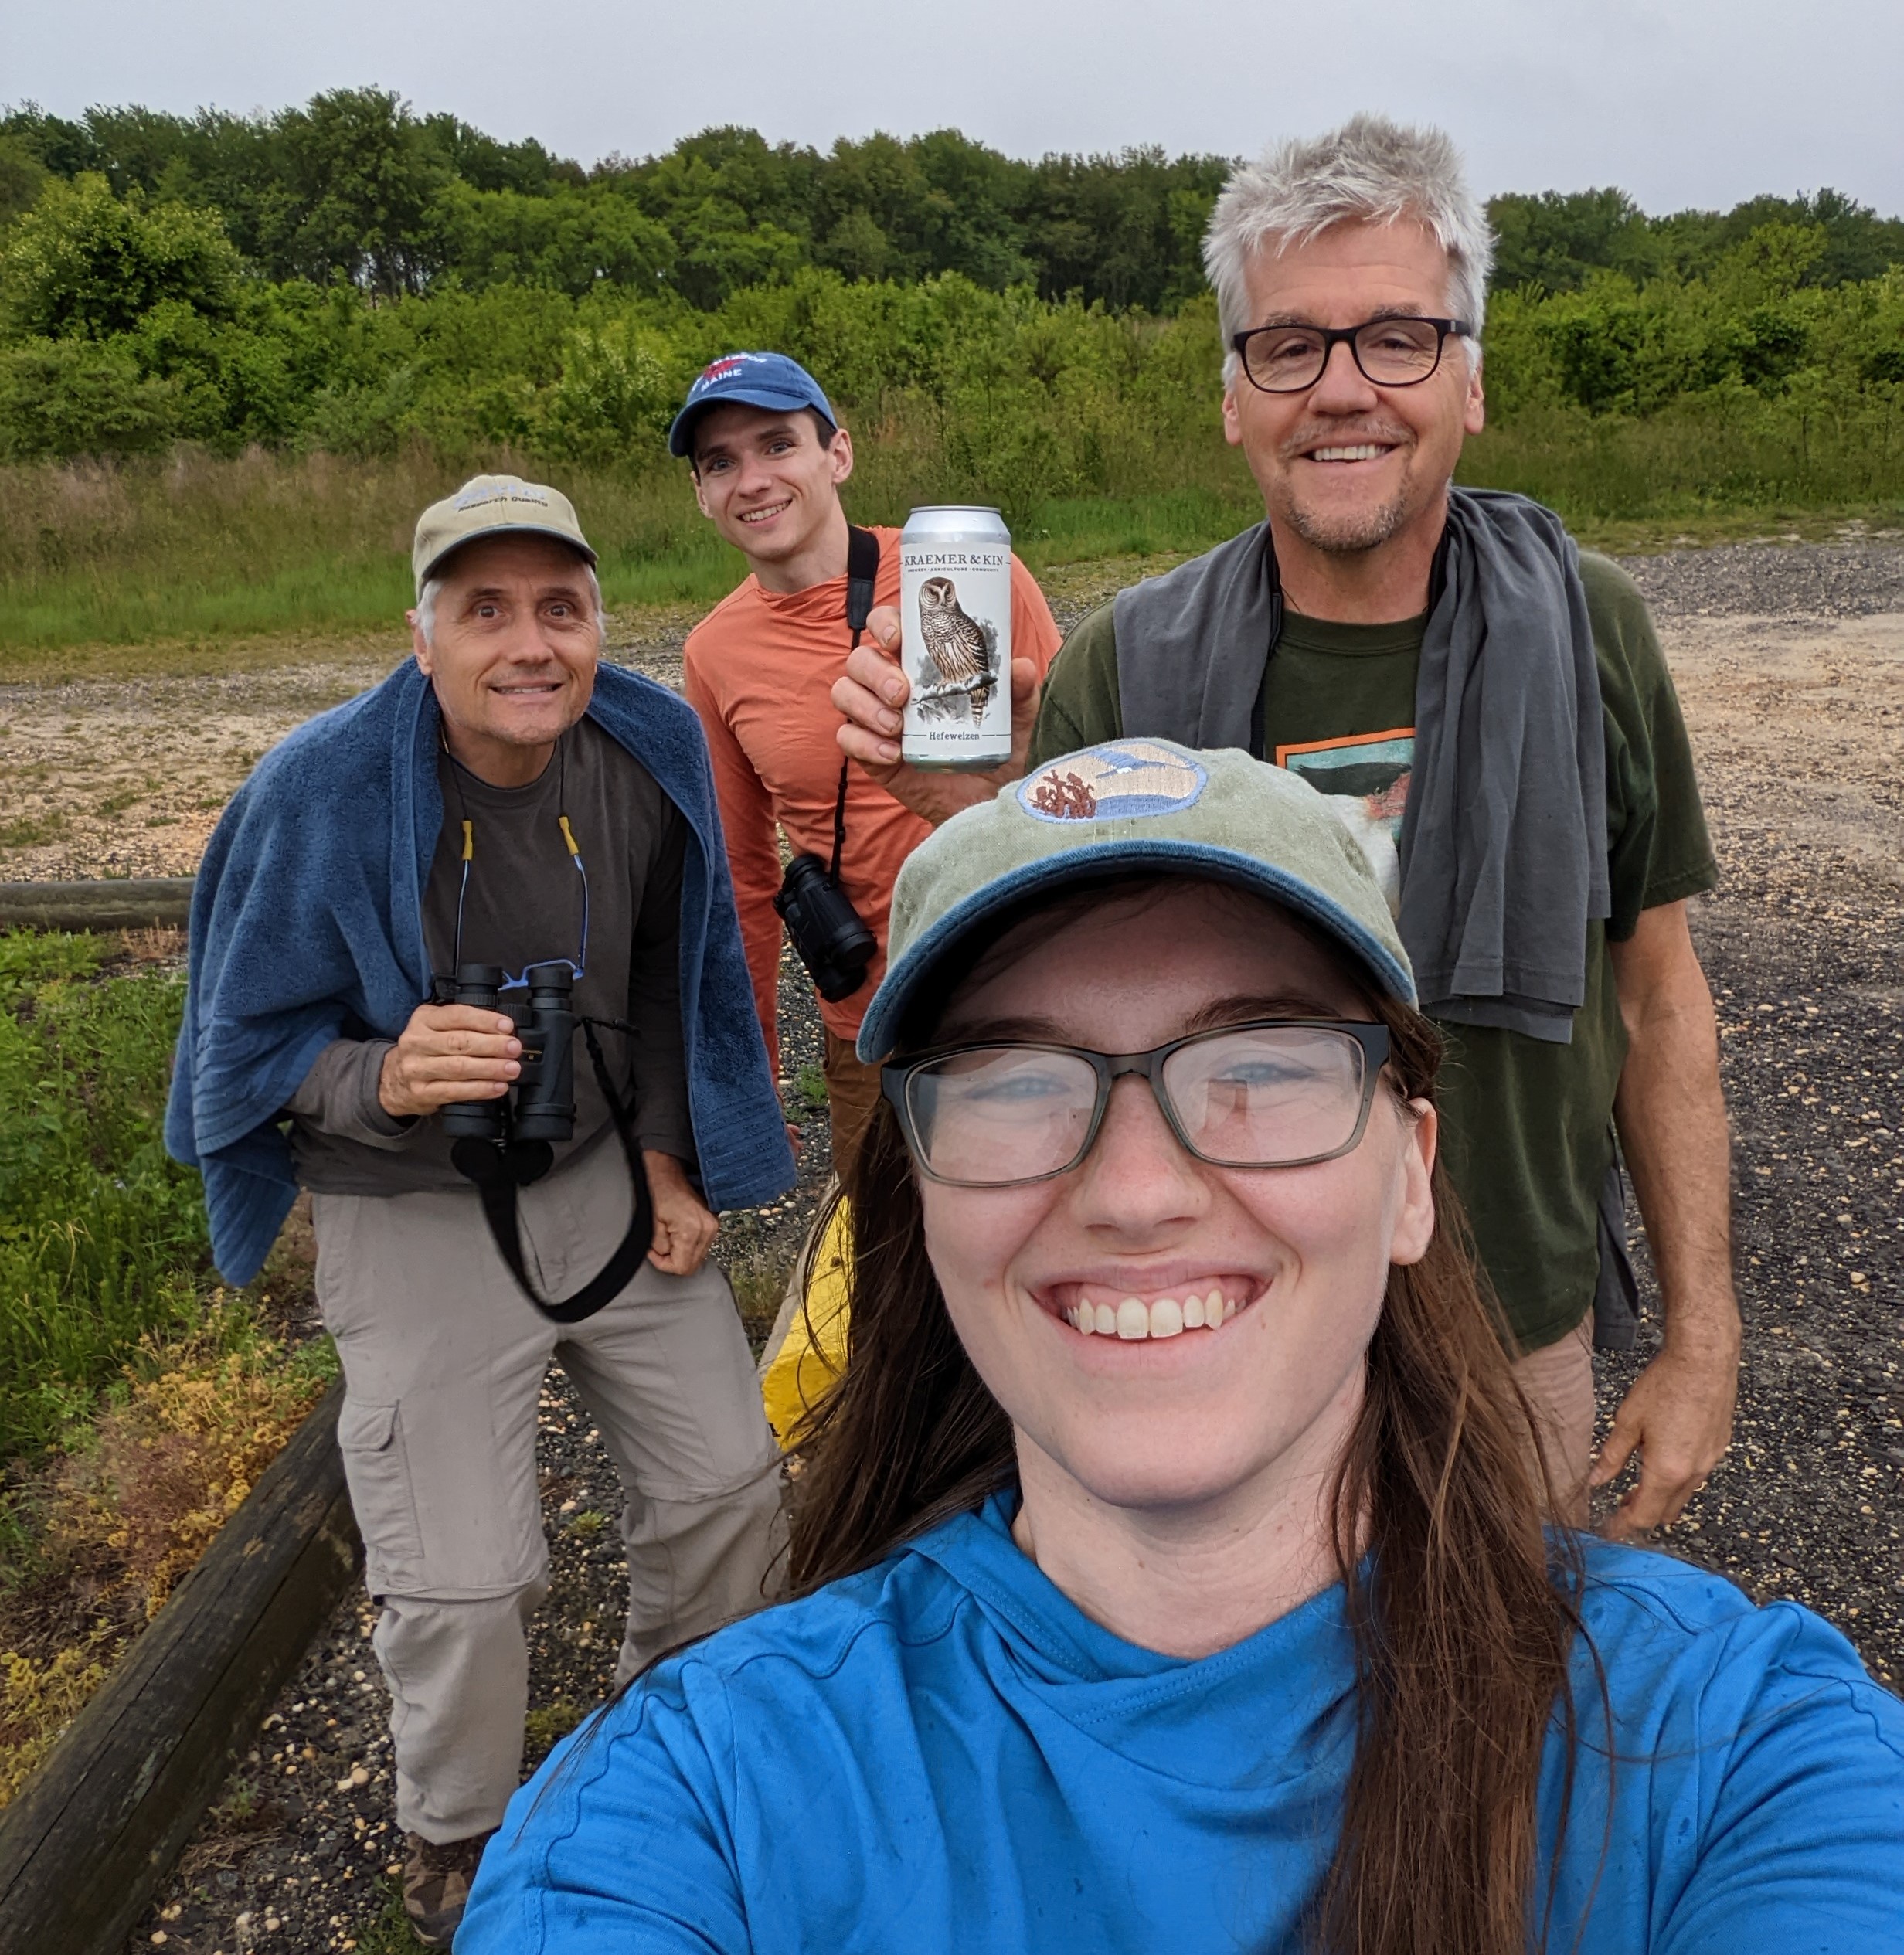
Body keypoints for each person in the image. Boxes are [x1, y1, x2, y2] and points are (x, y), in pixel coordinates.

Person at [458, 738, 1904, 1953]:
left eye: (1259, 1066)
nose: (1135, 1192)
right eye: (1014, 1080)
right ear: (918, 1191)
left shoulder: (1734, 1756)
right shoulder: (693, 1806)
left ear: (1407, 1175)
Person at [834, 117, 1736, 1535]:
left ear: (1468, 384)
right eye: (1286, 347)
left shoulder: (1587, 626)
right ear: (1231, 399)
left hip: (1511, 1325)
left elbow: (1659, 997)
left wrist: (1699, 1338)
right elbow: (1041, 1021)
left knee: (1500, 1719)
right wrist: (974, 813)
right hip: (1203, 1329)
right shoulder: (1119, 665)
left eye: (1396, 338)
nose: (1340, 390)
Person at [165, 474, 795, 1945]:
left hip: (596, 1178)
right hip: (409, 1205)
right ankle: (457, 1829)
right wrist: (384, 1076)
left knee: (727, 1490)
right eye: (485, 608)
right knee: (459, 1583)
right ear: (421, 632)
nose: (530, 644)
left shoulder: (645, 757)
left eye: (559, 609)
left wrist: (665, 1150)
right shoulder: (318, 790)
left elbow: (673, 972)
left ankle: (665, 1731)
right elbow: (234, 1052)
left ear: (596, 625)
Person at [672, 351, 1062, 1183]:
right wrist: (756, 1077)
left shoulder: (974, 573)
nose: (751, 479)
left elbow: (1087, 767)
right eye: (720, 462)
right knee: (887, 1269)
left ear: (837, 454)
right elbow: (741, 880)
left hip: (1020, 989)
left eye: (777, 445)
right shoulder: (713, 654)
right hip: (867, 1020)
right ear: (702, 495)